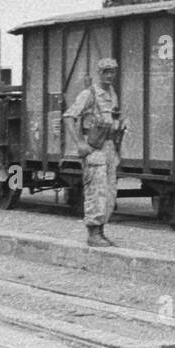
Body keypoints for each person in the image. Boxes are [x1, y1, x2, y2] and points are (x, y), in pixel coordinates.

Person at [64, 57, 127, 248]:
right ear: (99, 73)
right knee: (96, 191)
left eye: (112, 72)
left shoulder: (113, 94)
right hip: (95, 149)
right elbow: (69, 117)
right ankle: (93, 232)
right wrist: (80, 144)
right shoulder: (89, 94)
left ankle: (101, 231)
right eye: (105, 71)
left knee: (109, 192)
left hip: (109, 147)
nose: (109, 75)